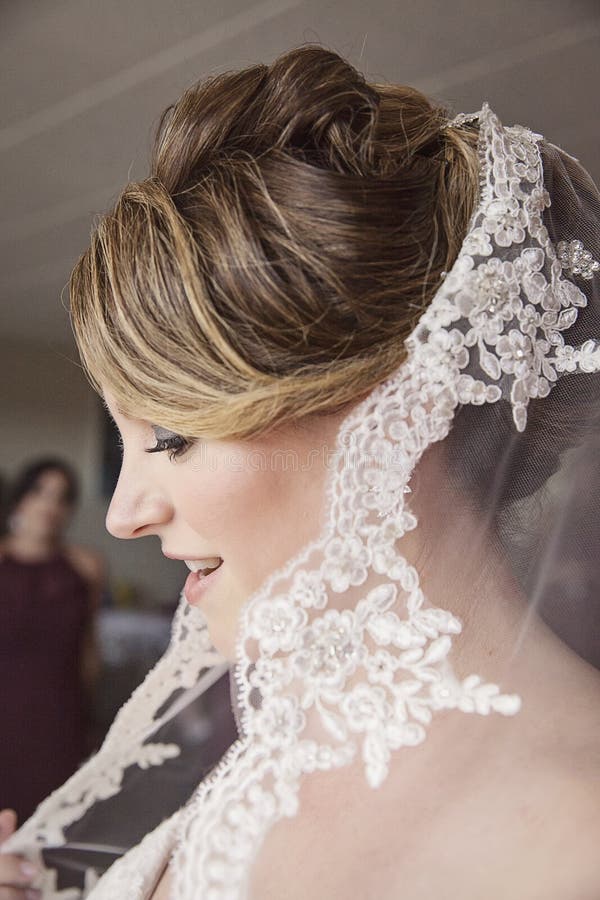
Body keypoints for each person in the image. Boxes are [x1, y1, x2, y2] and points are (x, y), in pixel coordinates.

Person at [1, 44, 600, 900]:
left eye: (170, 434)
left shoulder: (575, 846)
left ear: (394, 412)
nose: (122, 515)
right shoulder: (291, 740)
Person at [0, 458, 105, 823]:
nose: (50, 504)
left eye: (61, 497)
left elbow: (89, 648)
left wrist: (90, 715)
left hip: (61, 713)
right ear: (21, 498)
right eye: (40, 492)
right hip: (6, 712)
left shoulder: (87, 567)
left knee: (59, 819)